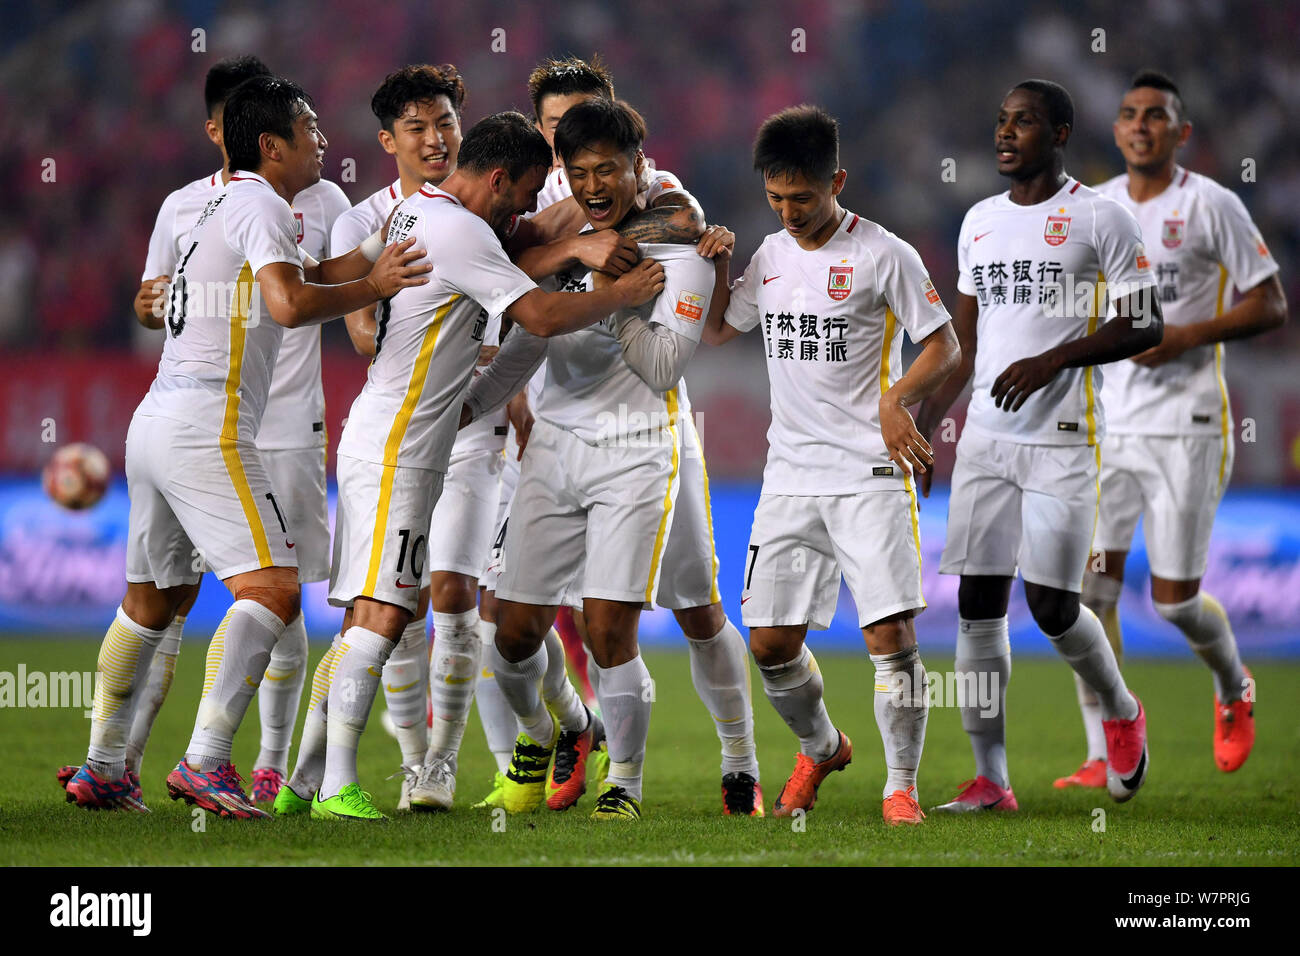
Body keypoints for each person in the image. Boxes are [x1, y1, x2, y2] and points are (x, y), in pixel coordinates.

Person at [63, 74, 428, 817]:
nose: (323, 141)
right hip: (211, 423)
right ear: (272, 146)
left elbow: (293, 278)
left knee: (150, 601)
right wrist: (374, 286)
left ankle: (104, 767)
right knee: (274, 590)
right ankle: (205, 761)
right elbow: (290, 305)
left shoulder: (219, 202)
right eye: (310, 128)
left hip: (154, 420)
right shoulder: (264, 201)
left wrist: (367, 261)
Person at [313, 111, 666, 821]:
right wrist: (619, 293)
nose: (521, 213)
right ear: (501, 177)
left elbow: (527, 251)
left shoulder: (423, 208)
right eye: (524, 192)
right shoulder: (463, 230)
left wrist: (473, 406)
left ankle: (327, 777)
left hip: (407, 440)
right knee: (383, 614)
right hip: (399, 448)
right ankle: (333, 784)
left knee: (387, 608)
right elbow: (536, 315)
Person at [475, 55, 762, 817]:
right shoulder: (545, 210)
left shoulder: (669, 210)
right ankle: (569, 732)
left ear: (629, 140)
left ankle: (735, 763)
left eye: (596, 150)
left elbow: (663, 350)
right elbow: (505, 268)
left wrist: (611, 290)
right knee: (512, 625)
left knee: (692, 608)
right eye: (558, 138)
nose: (582, 173)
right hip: (556, 434)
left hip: (650, 434)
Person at [704, 105, 959, 825]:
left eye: (803, 199)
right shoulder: (772, 255)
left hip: (870, 471)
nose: (788, 212)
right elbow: (722, 329)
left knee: (890, 636)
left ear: (836, 181)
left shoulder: (884, 254)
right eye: (776, 198)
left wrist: (899, 398)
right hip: (789, 474)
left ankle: (901, 785)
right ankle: (822, 746)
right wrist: (718, 265)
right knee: (771, 644)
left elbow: (945, 346)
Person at [915, 79, 1162, 811]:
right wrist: (924, 425)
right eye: (1000, 120)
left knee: (1054, 607)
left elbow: (1144, 325)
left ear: (1058, 133)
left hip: (1063, 441)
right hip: (988, 440)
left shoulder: (1102, 219)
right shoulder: (980, 221)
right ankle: (992, 778)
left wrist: (1054, 358)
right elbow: (960, 344)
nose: (1005, 132)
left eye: (1023, 122)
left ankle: (1121, 709)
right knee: (977, 606)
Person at [1055, 70, 1285, 787]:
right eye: (1129, 114)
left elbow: (1270, 303)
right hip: (1109, 428)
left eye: (1156, 115)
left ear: (1181, 133)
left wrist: (1187, 335)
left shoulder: (1211, 204)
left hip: (1187, 424)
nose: (1140, 125)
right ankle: (1106, 749)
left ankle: (1232, 684)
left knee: (1174, 602)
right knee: (1088, 593)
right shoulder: (1096, 209)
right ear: (1117, 130)